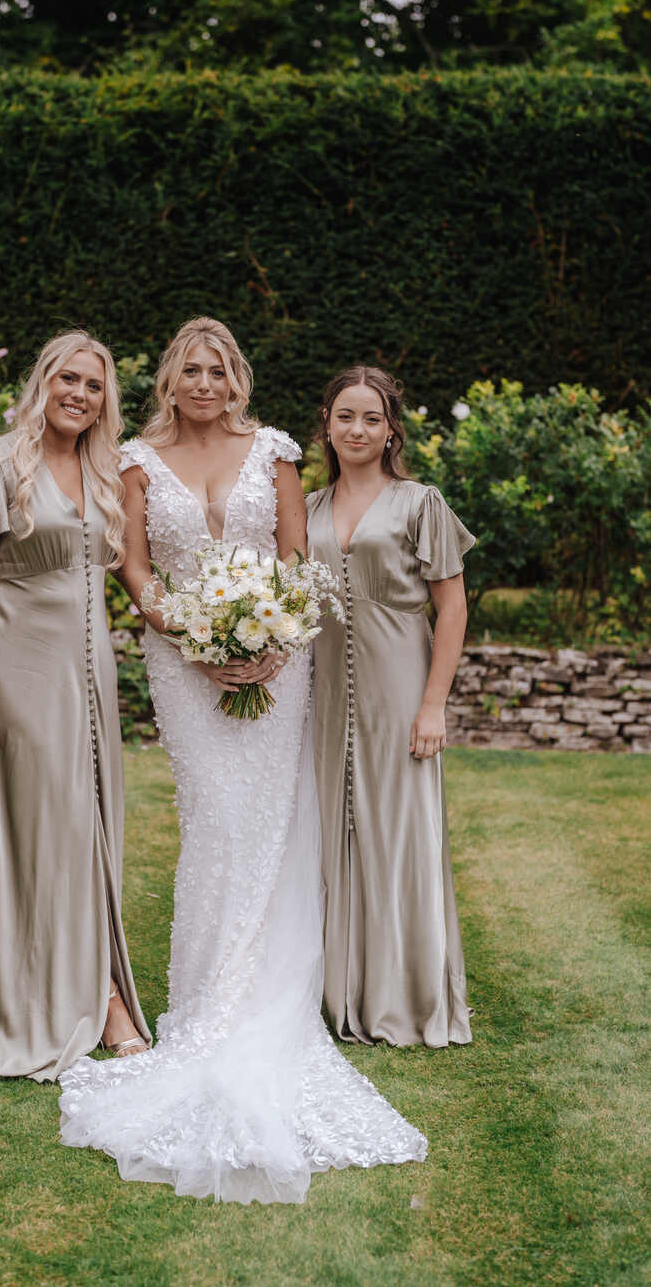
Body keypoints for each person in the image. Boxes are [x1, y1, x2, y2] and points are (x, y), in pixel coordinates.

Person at [58, 317, 426, 1203]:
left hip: (277, 657)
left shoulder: (275, 451)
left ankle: (265, 1004)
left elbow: (296, 558)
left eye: (219, 368)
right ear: (169, 379)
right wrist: (191, 634)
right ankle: (206, 1007)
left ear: (238, 378)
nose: (206, 382)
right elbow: (135, 569)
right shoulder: (139, 459)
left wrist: (272, 636)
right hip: (182, 667)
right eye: (191, 368)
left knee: (268, 821)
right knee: (214, 821)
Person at [0, 329, 150, 1084]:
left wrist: (214, 630)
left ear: (105, 400)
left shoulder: (105, 469)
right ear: (43, 381)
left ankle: (95, 990)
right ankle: (87, 1002)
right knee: (43, 829)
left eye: (93, 386)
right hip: (21, 669)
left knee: (89, 827)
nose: (79, 395)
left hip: (90, 675)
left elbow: (133, 580)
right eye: (68, 379)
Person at [306, 366, 474, 1049]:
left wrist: (433, 704)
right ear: (327, 424)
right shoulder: (308, 508)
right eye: (346, 416)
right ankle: (336, 994)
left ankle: (404, 995)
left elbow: (453, 606)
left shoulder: (418, 502)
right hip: (322, 694)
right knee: (330, 836)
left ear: (391, 430)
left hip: (400, 683)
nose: (357, 429)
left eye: (372, 418)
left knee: (399, 832)